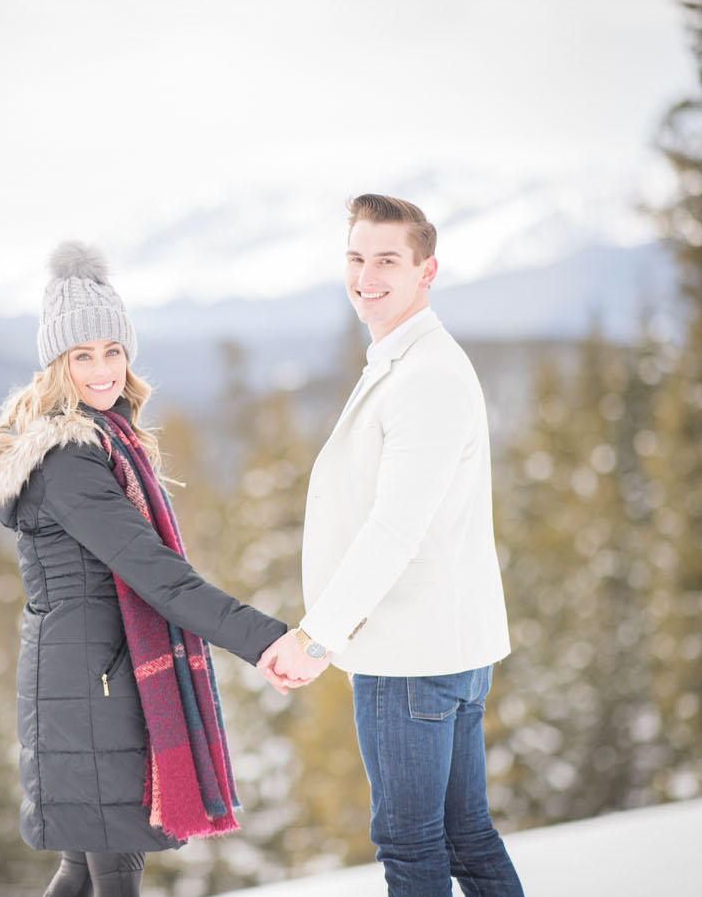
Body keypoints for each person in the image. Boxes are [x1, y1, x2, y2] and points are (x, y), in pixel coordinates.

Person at [0, 242, 298, 897]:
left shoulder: (104, 438)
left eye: (113, 351)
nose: (102, 368)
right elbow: (158, 576)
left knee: (86, 870)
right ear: (56, 364)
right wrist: (266, 640)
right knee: (113, 871)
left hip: (89, 676)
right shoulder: (70, 459)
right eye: (82, 355)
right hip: (93, 687)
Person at [262, 195, 524, 895]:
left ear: (426, 270)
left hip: (410, 655)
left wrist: (316, 637)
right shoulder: (402, 359)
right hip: (442, 649)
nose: (366, 275)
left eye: (387, 259)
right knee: (465, 835)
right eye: (356, 257)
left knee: (411, 847)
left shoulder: (427, 374)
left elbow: (395, 529)